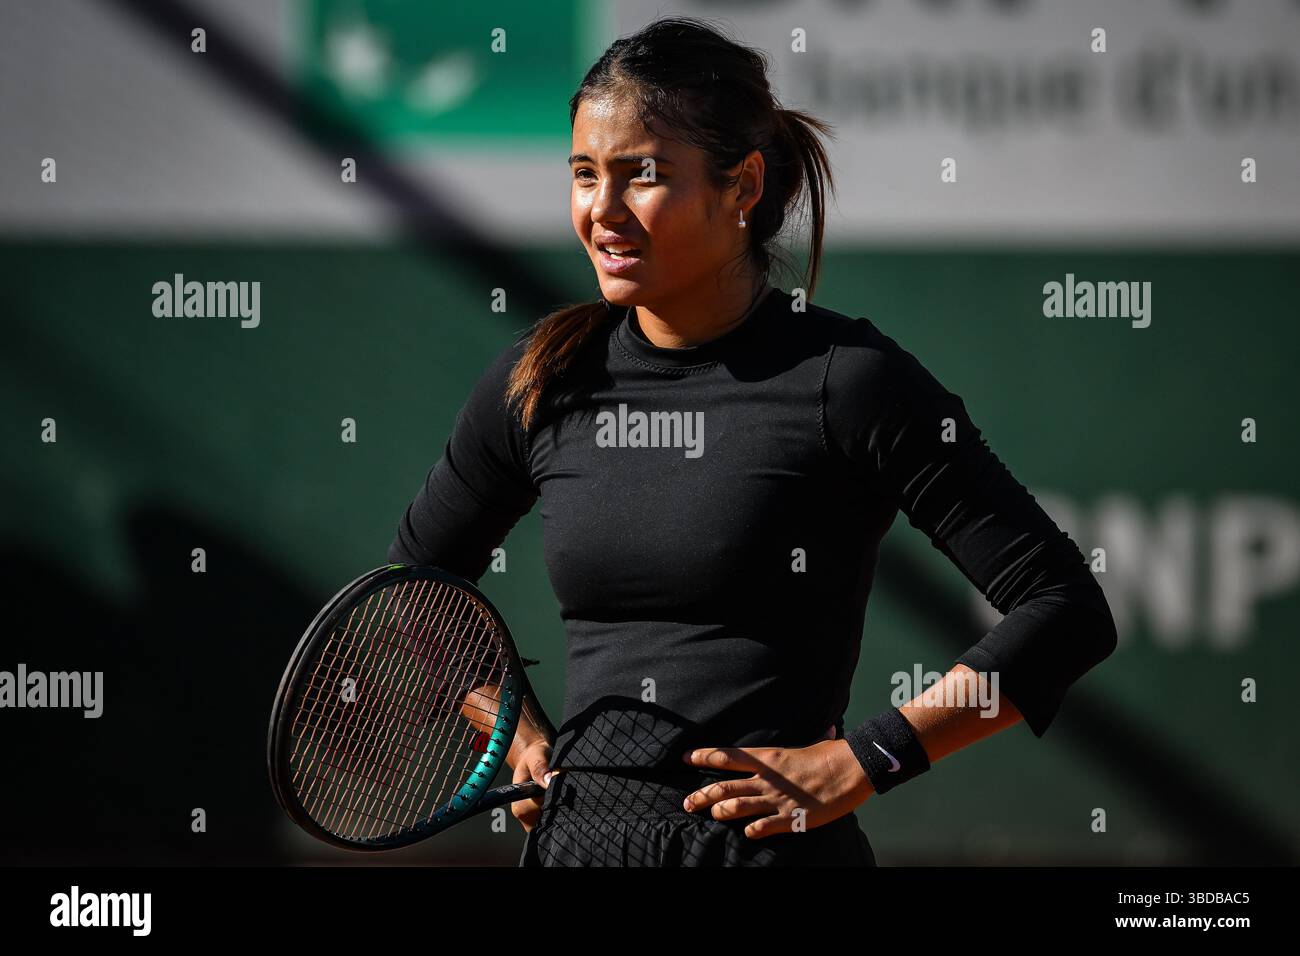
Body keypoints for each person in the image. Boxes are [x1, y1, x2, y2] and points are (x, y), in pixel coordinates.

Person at [387, 16, 1117, 867]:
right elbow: (415, 587)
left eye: (642, 177)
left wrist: (867, 758)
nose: (602, 211)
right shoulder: (540, 380)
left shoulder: (850, 380)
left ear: (742, 188)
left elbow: (1065, 609)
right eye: (584, 175)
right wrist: (518, 739)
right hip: (575, 850)